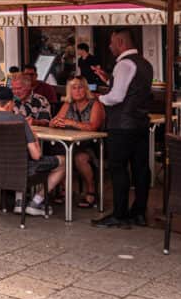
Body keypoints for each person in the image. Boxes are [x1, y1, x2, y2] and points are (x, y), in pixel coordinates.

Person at [92, 29, 153, 229]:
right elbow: (131, 89)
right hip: (140, 124)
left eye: (111, 43)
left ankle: (119, 214)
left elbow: (117, 97)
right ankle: (139, 213)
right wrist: (108, 79)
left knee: (118, 169)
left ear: (120, 42)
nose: (109, 47)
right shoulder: (145, 64)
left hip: (122, 125)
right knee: (141, 169)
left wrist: (99, 98)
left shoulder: (124, 64)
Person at [0, 85, 66, 216]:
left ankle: (20, 202)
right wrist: (33, 136)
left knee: (18, 156)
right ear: (10, 104)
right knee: (64, 161)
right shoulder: (19, 121)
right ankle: (36, 201)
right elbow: (36, 155)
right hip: (21, 169)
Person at [51, 77, 106, 208]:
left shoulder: (95, 104)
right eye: (73, 88)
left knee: (80, 158)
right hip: (70, 143)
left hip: (91, 144)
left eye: (80, 87)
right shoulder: (68, 104)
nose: (77, 91)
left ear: (86, 89)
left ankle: (91, 189)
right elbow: (55, 121)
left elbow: (93, 126)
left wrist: (71, 122)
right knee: (59, 156)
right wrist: (55, 122)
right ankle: (66, 189)